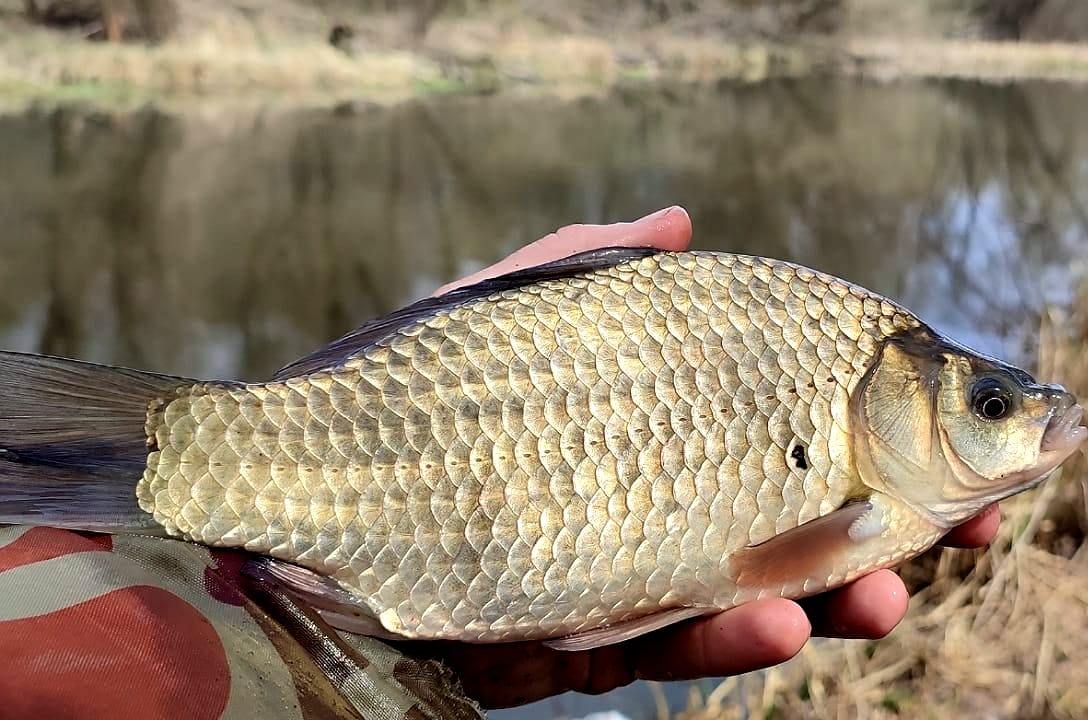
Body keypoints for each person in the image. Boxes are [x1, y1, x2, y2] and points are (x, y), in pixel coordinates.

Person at [0, 207, 999, 716]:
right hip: (463, 497)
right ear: (891, 399)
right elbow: (760, 571)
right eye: (987, 405)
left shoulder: (843, 374)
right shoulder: (867, 470)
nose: (1013, 425)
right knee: (189, 455)